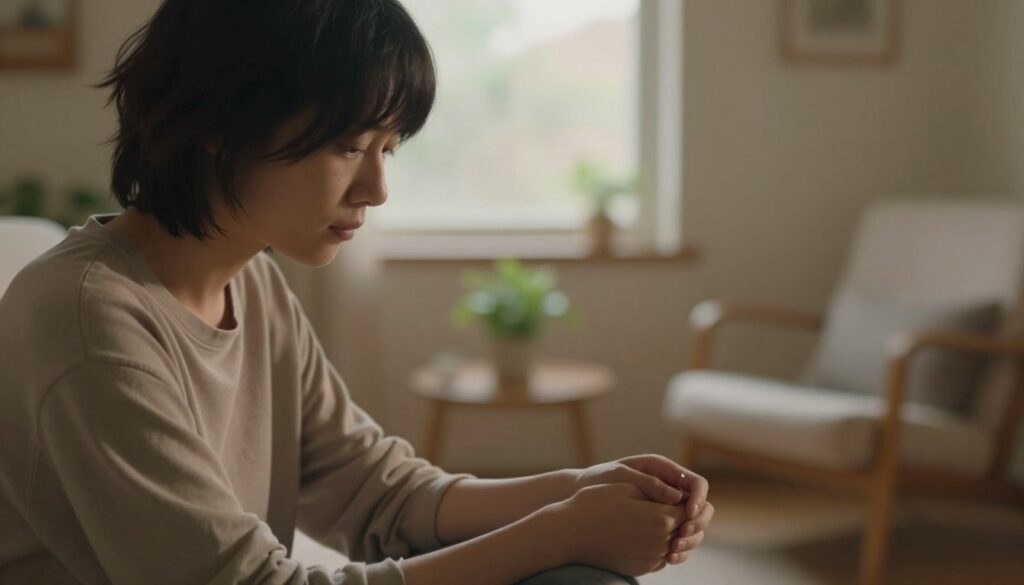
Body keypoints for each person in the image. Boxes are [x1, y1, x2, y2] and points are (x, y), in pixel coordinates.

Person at [0, 1, 715, 583]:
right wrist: (554, 533)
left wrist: (576, 487)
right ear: (221, 121)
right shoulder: (89, 319)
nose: (376, 189)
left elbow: (377, 491)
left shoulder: (254, 283)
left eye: (389, 148)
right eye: (348, 146)